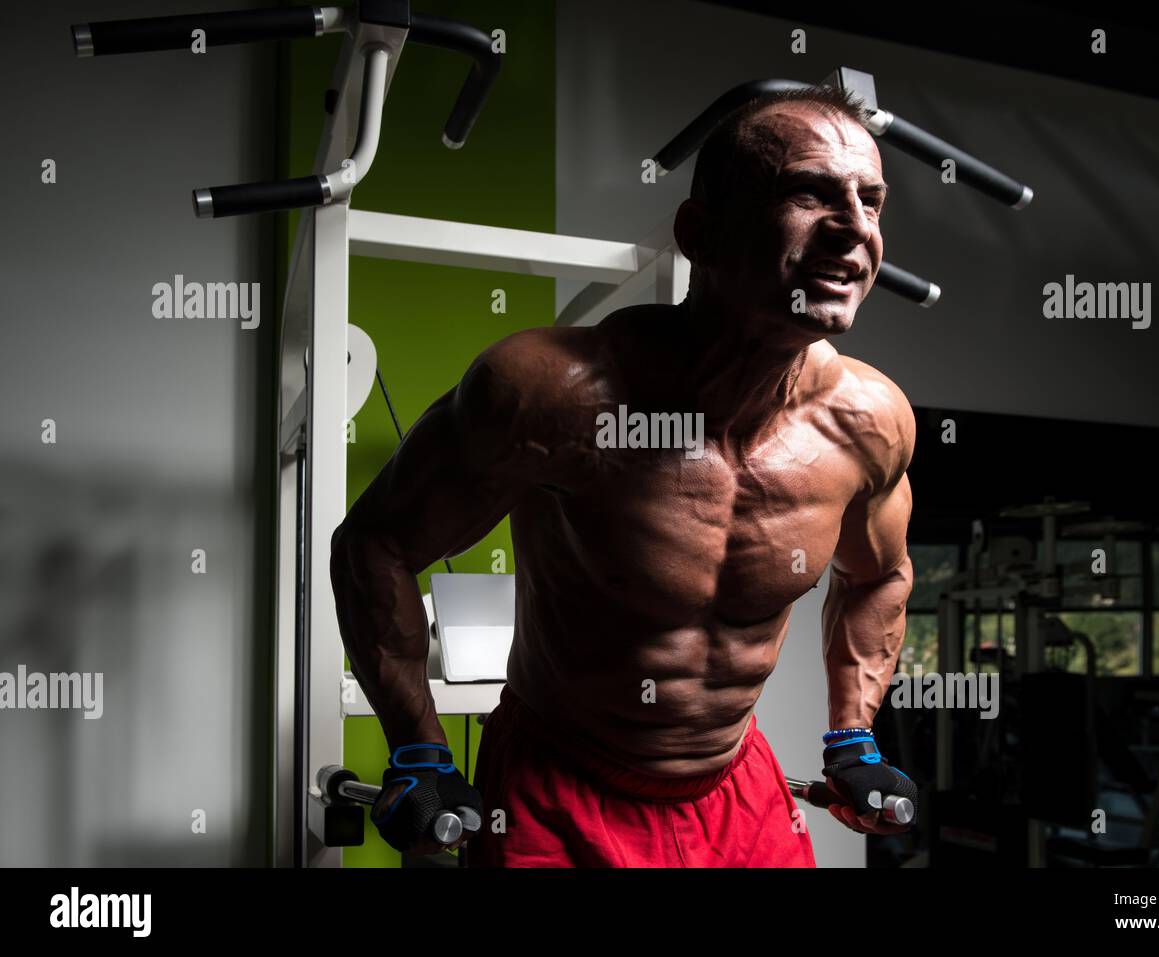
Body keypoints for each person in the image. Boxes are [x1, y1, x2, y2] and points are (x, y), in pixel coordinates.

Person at [330, 85, 916, 867]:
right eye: (809, 192)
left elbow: (879, 575)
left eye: (871, 201)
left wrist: (853, 732)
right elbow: (374, 544)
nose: (853, 228)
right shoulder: (553, 394)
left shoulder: (868, 422)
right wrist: (419, 750)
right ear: (698, 233)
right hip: (557, 788)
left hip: (736, 787)